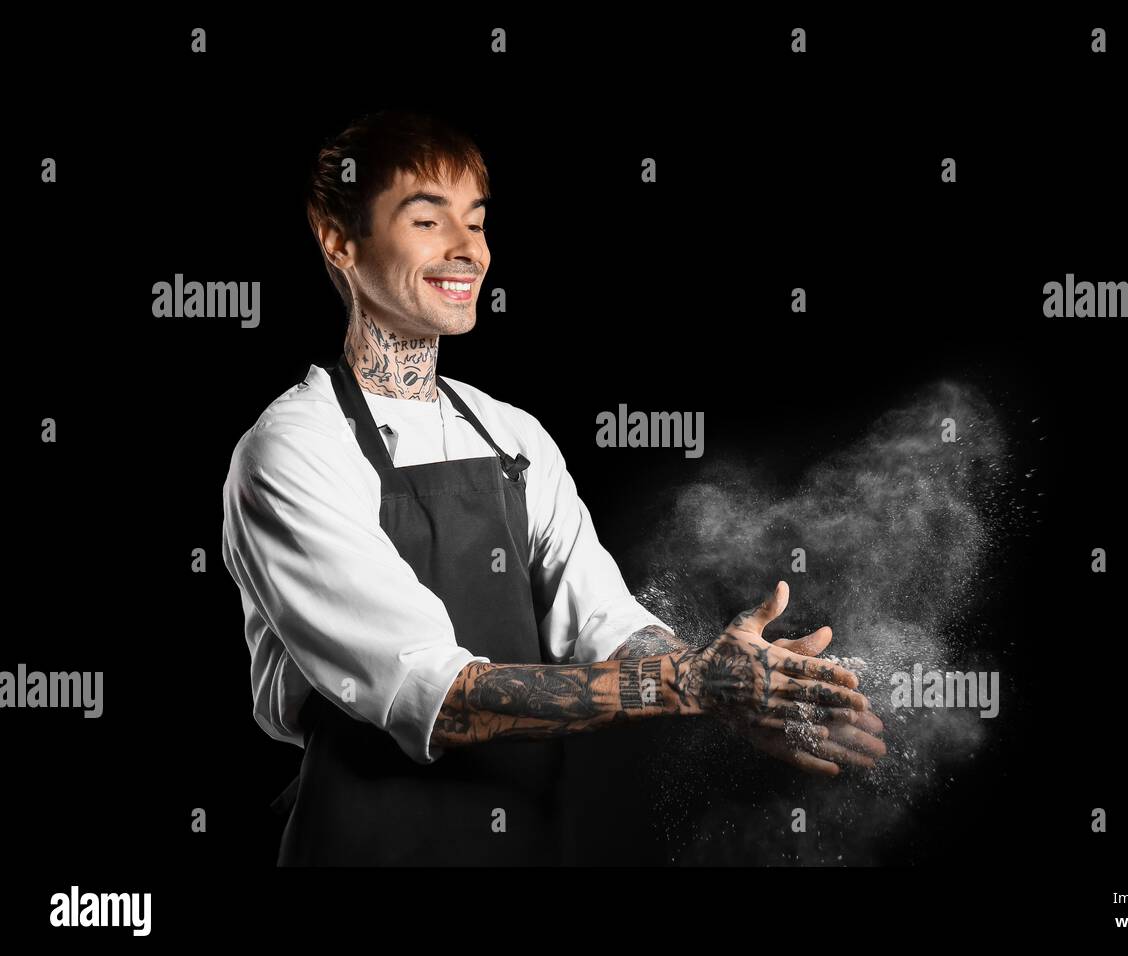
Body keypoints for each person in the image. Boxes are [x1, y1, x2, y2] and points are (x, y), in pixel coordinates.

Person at [220, 109, 885, 866]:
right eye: (428, 220)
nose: (467, 249)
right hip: (366, 844)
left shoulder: (513, 435)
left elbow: (601, 621)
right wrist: (693, 685)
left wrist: (732, 692)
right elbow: (443, 702)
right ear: (339, 240)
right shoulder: (294, 450)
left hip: (524, 840)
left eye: (477, 221)